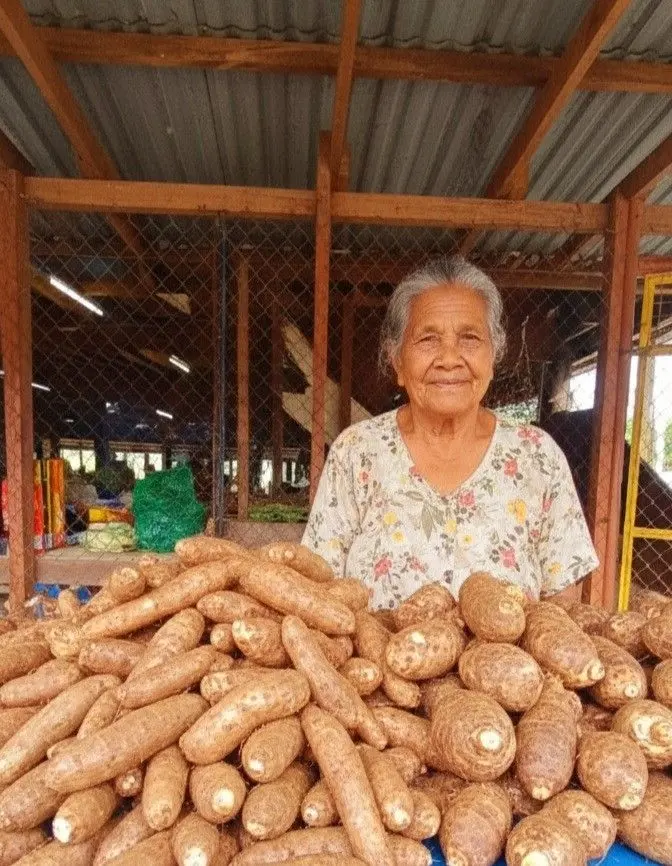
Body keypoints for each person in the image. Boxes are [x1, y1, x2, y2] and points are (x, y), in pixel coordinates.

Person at [303, 255, 598, 610]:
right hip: (376, 649)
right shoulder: (356, 452)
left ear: (493, 356)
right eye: (428, 339)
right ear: (397, 361)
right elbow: (318, 588)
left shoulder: (537, 457)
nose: (448, 359)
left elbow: (562, 599)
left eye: (469, 338)